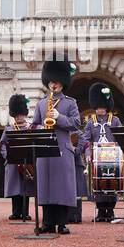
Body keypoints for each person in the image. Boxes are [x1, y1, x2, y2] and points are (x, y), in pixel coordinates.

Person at [31, 59, 80, 235]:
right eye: (52, 81)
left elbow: (76, 124)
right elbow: (34, 125)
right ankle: (47, 222)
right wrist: (41, 127)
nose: (54, 84)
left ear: (63, 82)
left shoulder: (70, 102)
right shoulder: (41, 104)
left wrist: (59, 117)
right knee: (45, 186)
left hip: (62, 149)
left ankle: (62, 222)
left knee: (62, 186)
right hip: (45, 148)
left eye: (57, 81)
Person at [79, 85, 122, 222]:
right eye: (97, 107)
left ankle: (110, 211)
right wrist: (87, 152)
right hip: (97, 157)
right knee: (98, 185)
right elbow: (85, 139)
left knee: (112, 184)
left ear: (106, 106)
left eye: (102, 106)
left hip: (112, 156)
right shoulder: (91, 122)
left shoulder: (115, 121)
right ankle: (101, 211)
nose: (99, 109)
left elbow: (121, 137)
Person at [1, 94, 35, 221]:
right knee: (15, 188)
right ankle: (15, 212)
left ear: (24, 114)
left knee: (26, 188)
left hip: (27, 162)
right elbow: (2, 144)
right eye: (16, 115)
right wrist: (7, 156)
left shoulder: (30, 127)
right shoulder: (9, 128)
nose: (18, 117)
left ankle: (25, 212)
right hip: (13, 162)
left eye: (20, 115)